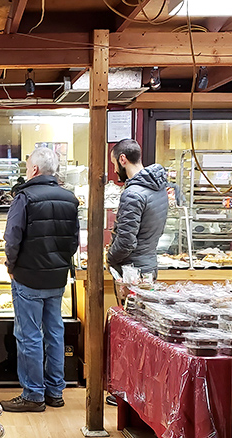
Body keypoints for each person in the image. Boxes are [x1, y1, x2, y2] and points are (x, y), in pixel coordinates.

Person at [0, 147, 79, 413]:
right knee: (55, 332)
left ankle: (33, 395)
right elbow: (74, 241)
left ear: (33, 169)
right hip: (57, 278)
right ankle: (55, 391)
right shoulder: (69, 198)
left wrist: (11, 265)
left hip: (28, 276)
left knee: (29, 336)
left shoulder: (25, 197)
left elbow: (12, 237)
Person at [105, 138, 168, 407]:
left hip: (131, 272)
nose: (114, 171)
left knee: (130, 333)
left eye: (113, 164)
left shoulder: (133, 193)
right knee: (145, 332)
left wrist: (109, 256)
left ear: (122, 160)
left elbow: (127, 241)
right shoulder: (159, 188)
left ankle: (126, 392)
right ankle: (141, 392)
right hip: (149, 267)